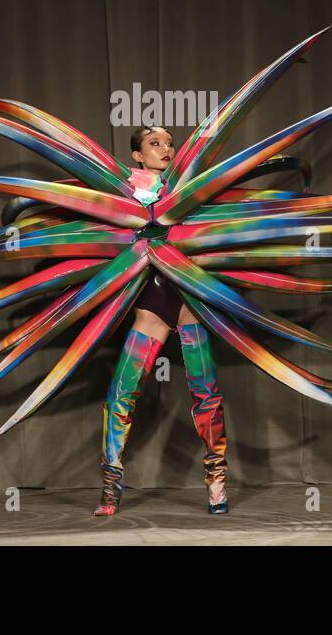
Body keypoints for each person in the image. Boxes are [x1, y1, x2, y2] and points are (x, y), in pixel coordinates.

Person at [92, 126, 229, 517]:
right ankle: (110, 489)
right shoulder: (123, 191)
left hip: (188, 299)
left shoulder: (189, 189)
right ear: (137, 155)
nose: (166, 149)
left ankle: (217, 482)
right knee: (121, 395)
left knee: (207, 393)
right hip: (151, 304)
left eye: (170, 143)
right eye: (155, 143)